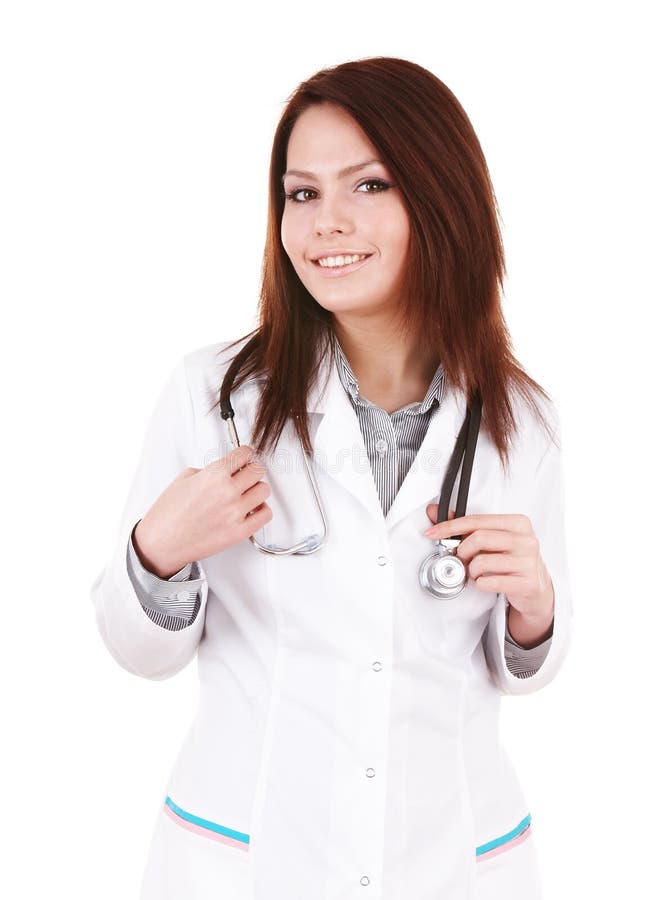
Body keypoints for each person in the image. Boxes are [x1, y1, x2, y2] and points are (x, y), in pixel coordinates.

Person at [90, 56, 572, 900]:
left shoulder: (520, 422)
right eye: (302, 193)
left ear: (442, 196)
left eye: (369, 186)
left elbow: (520, 668)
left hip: (452, 861)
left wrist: (535, 611)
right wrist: (156, 551)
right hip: (246, 858)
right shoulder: (216, 399)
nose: (325, 223)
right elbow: (138, 653)